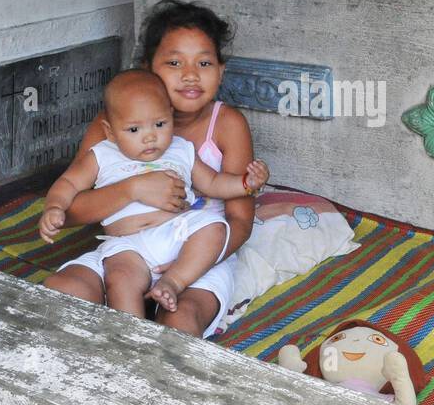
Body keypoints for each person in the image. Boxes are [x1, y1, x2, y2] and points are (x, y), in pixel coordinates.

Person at [46, 0, 259, 337]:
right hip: (125, 248)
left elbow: (240, 222)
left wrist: (184, 269)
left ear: (221, 71)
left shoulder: (227, 124)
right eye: (174, 62)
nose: (190, 74)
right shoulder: (113, 125)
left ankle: (144, 334)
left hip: (199, 251)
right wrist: (133, 189)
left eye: (204, 62)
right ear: (148, 68)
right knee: (61, 292)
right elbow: (69, 213)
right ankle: (125, 335)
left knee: (180, 322)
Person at [40, 69, 267, 317]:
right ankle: (131, 333)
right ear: (110, 131)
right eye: (134, 130)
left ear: (170, 116)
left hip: (177, 235)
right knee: (121, 278)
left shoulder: (181, 149)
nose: (149, 137)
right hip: (128, 244)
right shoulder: (102, 155)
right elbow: (69, 183)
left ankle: (173, 282)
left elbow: (213, 183)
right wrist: (55, 207)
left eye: (159, 124)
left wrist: (246, 183)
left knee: (215, 228)